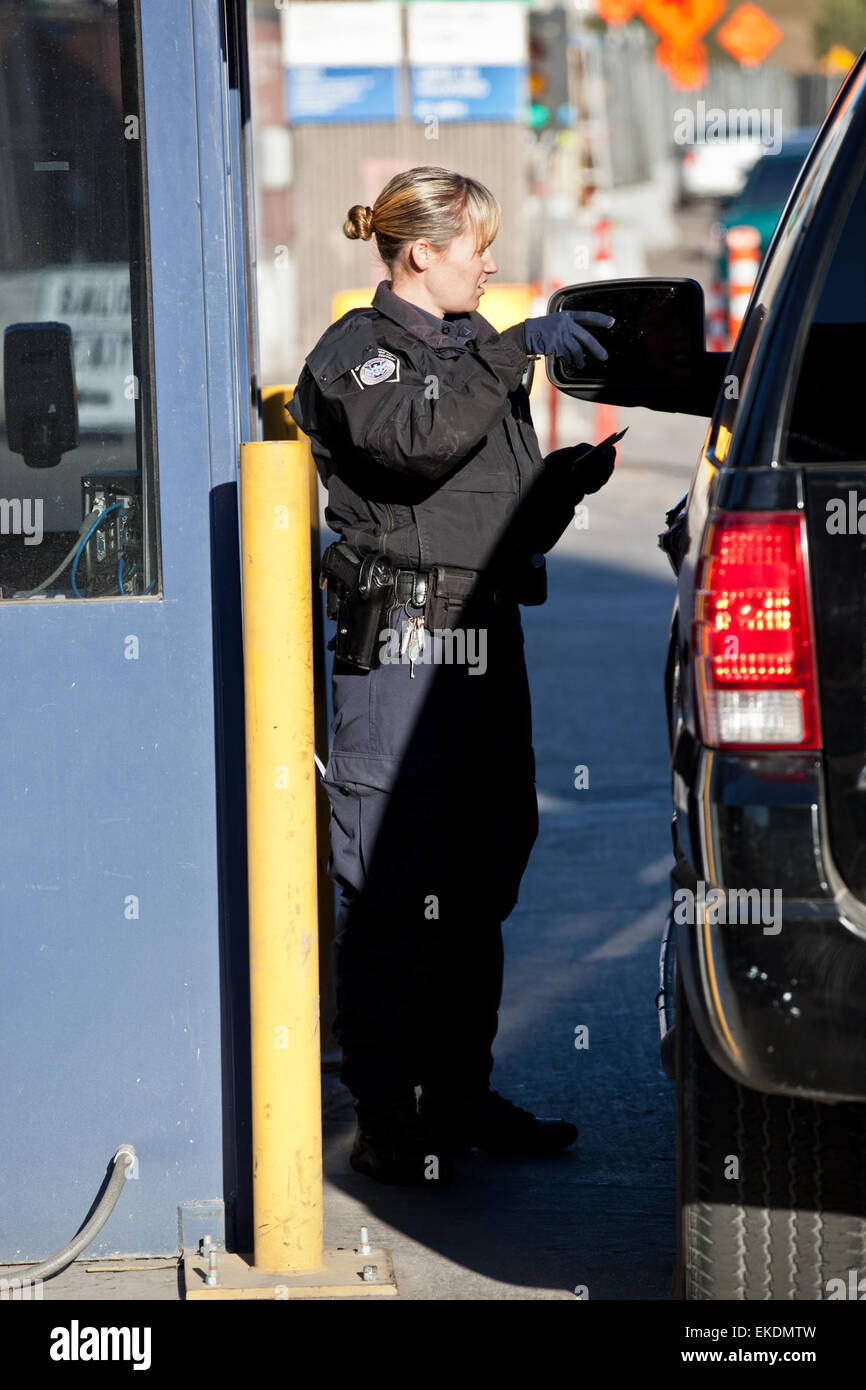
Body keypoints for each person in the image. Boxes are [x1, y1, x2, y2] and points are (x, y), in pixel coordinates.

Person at [287, 166, 619, 1186]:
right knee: (392, 888)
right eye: (474, 243)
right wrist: (517, 344)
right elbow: (416, 442)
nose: (487, 260)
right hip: (401, 652)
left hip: (479, 647)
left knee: (477, 882)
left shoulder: (472, 353)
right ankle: (389, 1121)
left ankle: (459, 1097)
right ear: (420, 251)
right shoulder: (356, 355)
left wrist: (558, 490)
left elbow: (480, 513)